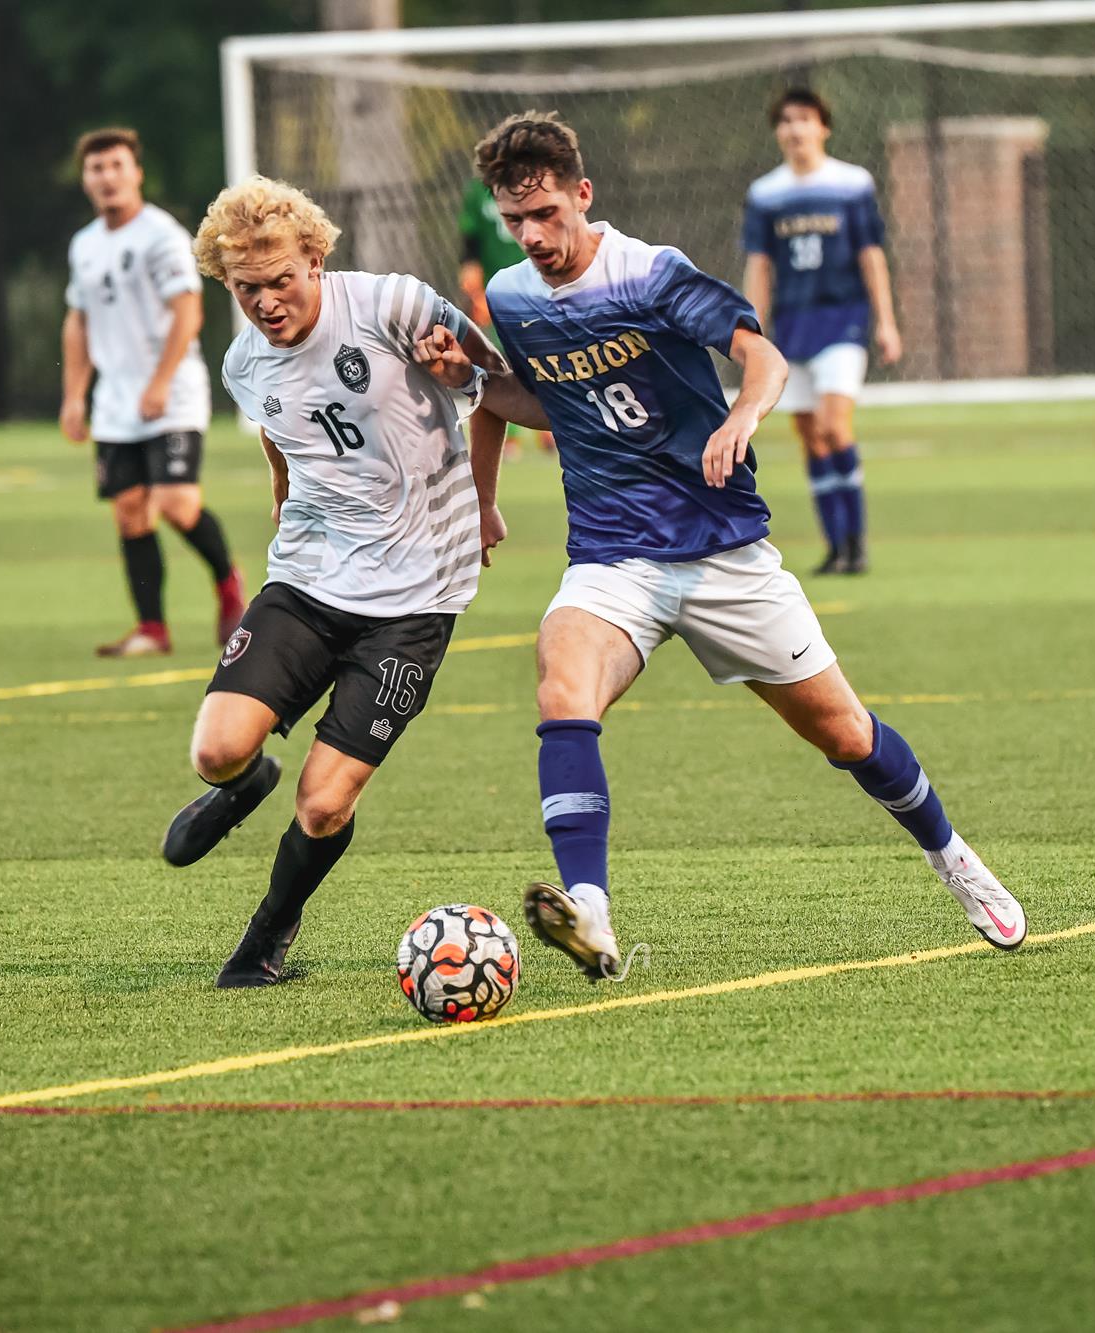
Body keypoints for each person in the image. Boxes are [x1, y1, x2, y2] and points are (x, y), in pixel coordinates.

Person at [431, 111, 1024, 981]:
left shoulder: (652, 274)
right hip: (612, 557)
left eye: (547, 214)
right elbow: (521, 398)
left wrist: (745, 412)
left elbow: (765, 356)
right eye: (515, 221)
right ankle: (589, 910)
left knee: (848, 736)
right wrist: (481, 491)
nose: (532, 236)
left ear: (582, 195)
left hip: (723, 554)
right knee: (563, 686)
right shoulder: (514, 298)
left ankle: (951, 855)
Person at [160, 175, 525, 989]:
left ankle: (263, 941)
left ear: (316, 258)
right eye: (246, 288)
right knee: (216, 751)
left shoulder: (394, 304)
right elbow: (282, 445)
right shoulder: (243, 363)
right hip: (309, 577)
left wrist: (486, 492)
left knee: (324, 804)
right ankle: (246, 780)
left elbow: (505, 391)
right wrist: (285, 514)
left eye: (281, 280)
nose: (266, 302)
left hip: (416, 595)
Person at [60, 127, 245, 656]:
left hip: (173, 393)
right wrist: (75, 396)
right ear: (86, 179)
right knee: (129, 511)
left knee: (175, 503)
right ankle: (152, 630)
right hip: (116, 401)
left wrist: (161, 381)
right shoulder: (85, 245)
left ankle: (229, 585)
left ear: (136, 173)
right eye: (97, 168)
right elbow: (78, 321)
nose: (107, 177)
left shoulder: (161, 235)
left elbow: (189, 309)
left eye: (117, 165)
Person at [739, 88, 901, 576]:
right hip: (792, 325)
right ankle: (835, 547)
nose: (795, 129)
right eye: (786, 121)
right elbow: (760, 263)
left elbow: (871, 255)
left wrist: (887, 322)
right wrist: (751, 329)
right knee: (811, 437)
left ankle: (857, 541)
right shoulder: (766, 193)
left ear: (824, 127)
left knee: (835, 427)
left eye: (805, 119)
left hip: (843, 321)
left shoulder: (852, 184)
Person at [457, 174, 554, 458]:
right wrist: (473, 278)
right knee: (501, 359)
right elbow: (470, 238)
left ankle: (550, 427)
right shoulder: (479, 190)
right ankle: (511, 437)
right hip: (496, 286)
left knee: (545, 351)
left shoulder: (542, 181)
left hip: (540, 282)